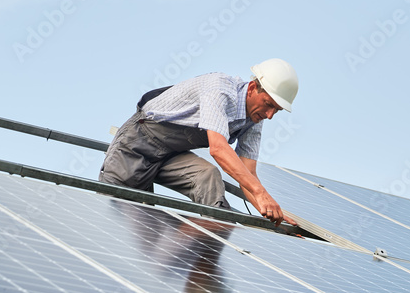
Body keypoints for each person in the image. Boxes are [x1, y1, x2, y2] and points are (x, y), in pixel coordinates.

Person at [99, 58, 298, 225]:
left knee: (208, 176)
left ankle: (216, 240)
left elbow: (249, 174)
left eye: (277, 110)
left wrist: (273, 215)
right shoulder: (219, 89)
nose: (270, 115)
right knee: (118, 220)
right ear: (253, 88)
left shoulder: (255, 119)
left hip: (171, 154)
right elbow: (218, 149)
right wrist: (260, 193)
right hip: (138, 145)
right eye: (268, 105)